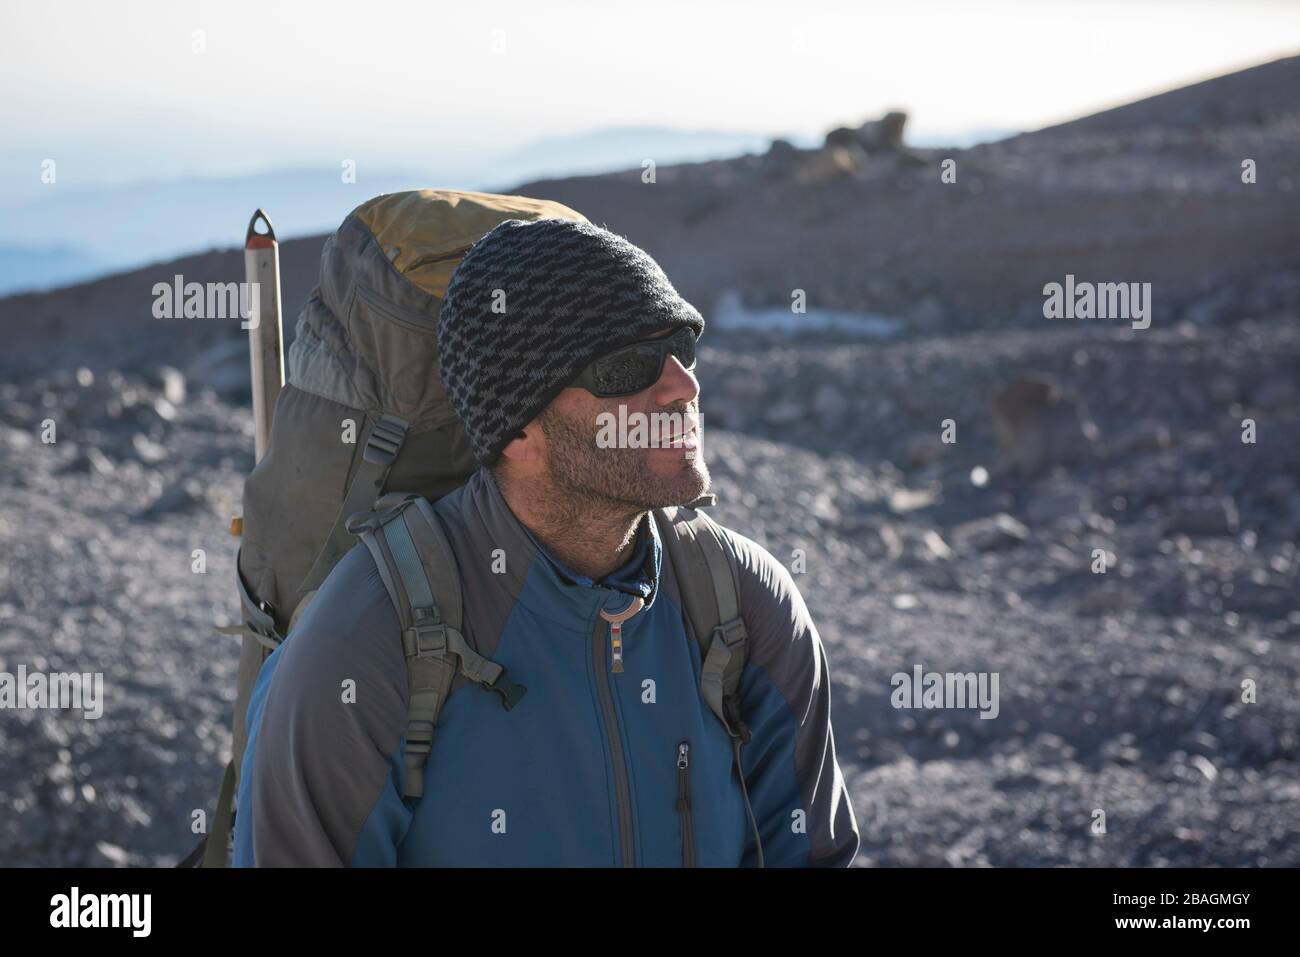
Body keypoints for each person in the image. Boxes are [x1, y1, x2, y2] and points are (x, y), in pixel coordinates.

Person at [233, 218, 859, 867]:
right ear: (518, 431)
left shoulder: (743, 602)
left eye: (681, 348)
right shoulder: (366, 637)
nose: (684, 387)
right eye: (629, 366)